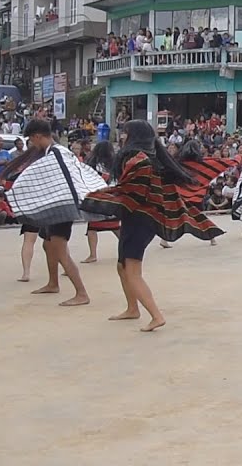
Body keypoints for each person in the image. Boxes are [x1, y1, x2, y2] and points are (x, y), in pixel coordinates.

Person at [82, 120, 223, 332]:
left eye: (125, 133)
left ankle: (156, 316)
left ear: (133, 135)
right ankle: (132, 309)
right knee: (122, 267)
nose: (121, 136)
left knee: (132, 270)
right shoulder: (150, 158)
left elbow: (131, 191)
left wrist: (99, 197)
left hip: (140, 219)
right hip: (137, 218)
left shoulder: (139, 160)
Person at [2, 119, 94, 306]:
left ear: (37, 136)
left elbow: (69, 177)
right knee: (47, 245)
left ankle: (82, 293)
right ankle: (53, 283)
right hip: (55, 204)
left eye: (31, 140)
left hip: (61, 206)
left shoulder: (57, 153)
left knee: (60, 250)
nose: (31, 144)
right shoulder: (53, 152)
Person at [82, 141, 121, 263]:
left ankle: (92, 254)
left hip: (98, 197)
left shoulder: (92, 164)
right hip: (113, 196)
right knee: (115, 226)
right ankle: (127, 250)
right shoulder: (115, 164)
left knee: (92, 227)